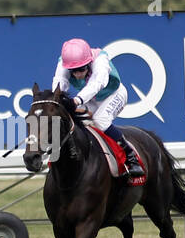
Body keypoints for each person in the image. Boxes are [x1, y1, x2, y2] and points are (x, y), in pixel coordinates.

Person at [50, 37, 144, 178]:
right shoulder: (63, 63)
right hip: (91, 99)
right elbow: (59, 82)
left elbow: (97, 83)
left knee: (101, 121)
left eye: (81, 69)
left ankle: (131, 157)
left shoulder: (100, 60)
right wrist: (57, 99)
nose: (77, 74)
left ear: (88, 63)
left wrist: (76, 100)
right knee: (77, 123)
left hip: (113, 94)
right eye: (73, 71)